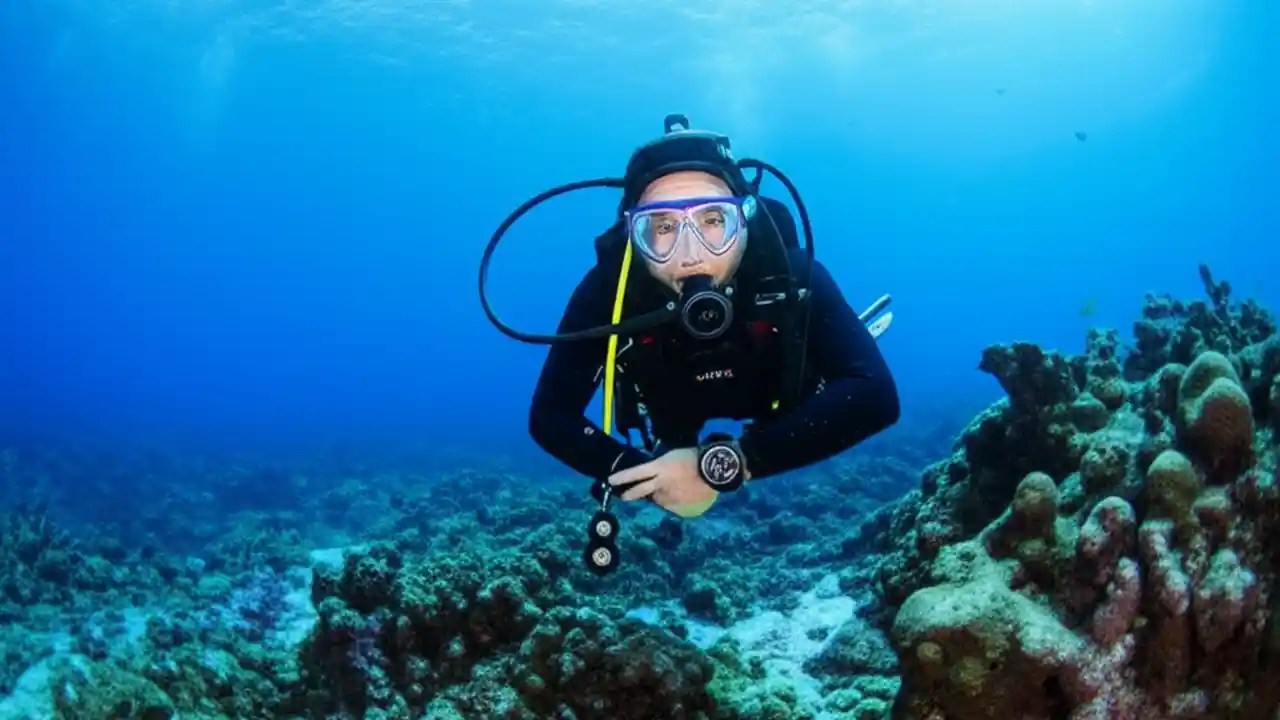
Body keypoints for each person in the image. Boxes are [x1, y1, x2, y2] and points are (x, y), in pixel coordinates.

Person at [478, 115, 900, 571]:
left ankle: (826, 353)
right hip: (670, 407)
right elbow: (549, 416)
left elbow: (876, 396)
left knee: (828, 385)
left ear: (745, 221)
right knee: (671, 436)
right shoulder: (609, 292)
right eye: (661, 227)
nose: (690, 252)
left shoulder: (791, 274)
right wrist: (648, 474)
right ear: (633, 235)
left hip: (779, 396)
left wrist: (734, 462)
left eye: (713, 219)